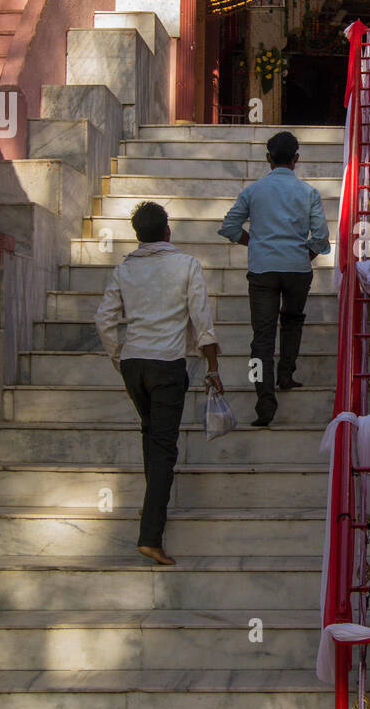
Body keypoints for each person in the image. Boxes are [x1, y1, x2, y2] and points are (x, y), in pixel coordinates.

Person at [94, 201, 222, 567]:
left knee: (151, 435)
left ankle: (151, 509)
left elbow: (104, 320)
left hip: (134, 363)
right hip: (167, 364)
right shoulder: (187, 265)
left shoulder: (124, 270)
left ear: (138, 234)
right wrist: (213, 367)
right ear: (168, 230)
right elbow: (202, 318)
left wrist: (120, 358)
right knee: (164, 446)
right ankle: (150, 536)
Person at [218, 130, 331, 427]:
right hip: (297, 269)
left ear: (268, 159)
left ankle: (263, 400)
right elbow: (320, 237)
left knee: (261, 340)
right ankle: (286, 374)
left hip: (262, 271)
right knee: (293, 321)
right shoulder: (309, 193)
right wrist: (302, 255)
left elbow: (229, 227)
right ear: (296, 159)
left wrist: (253, 243)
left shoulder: (253, 191)